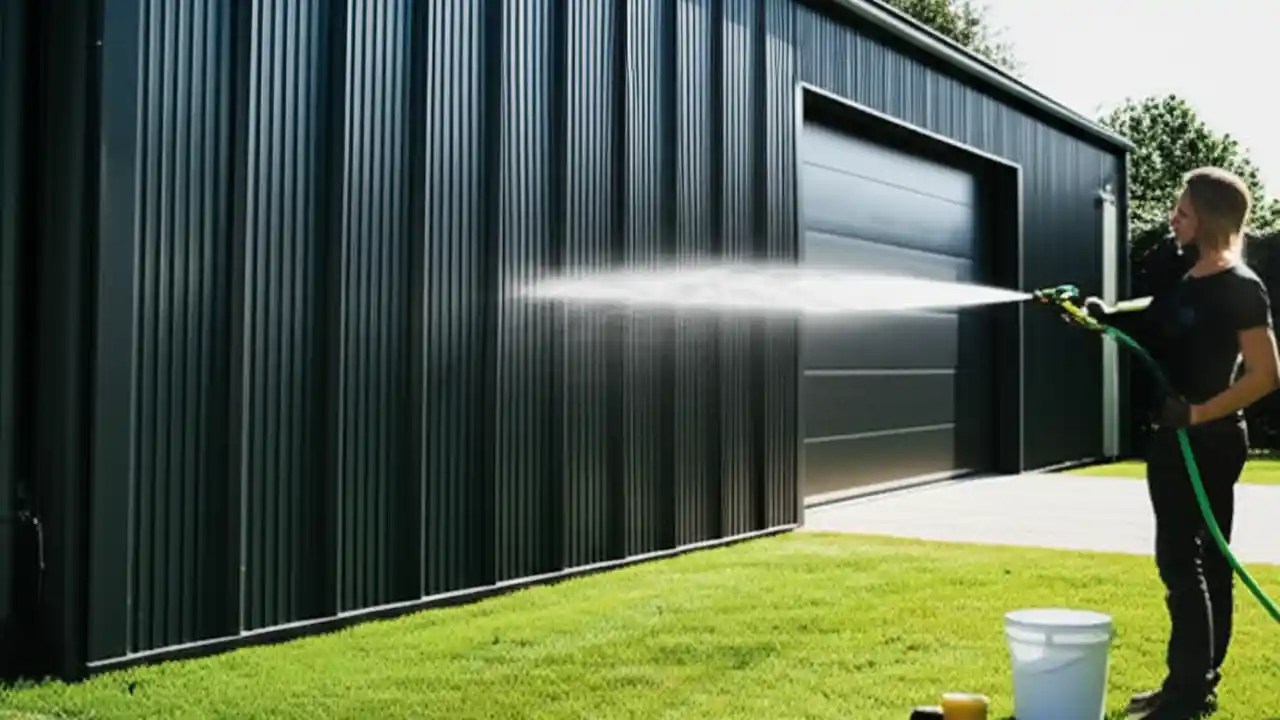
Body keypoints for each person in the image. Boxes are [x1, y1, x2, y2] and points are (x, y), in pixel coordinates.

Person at [1080, 167, 1280, 719]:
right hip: (1178, 434)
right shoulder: (1188, 274)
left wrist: (1196, 413)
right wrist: (1106, 316)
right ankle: (1190, 684)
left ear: (1209, 220)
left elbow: (1265, 374)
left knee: (1184, 562)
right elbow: (1162, 318)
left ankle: (1188, 692)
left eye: (1183, 211)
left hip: (1206, 440)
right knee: (1199, 562)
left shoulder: (1240, 285)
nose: (1174, 217)